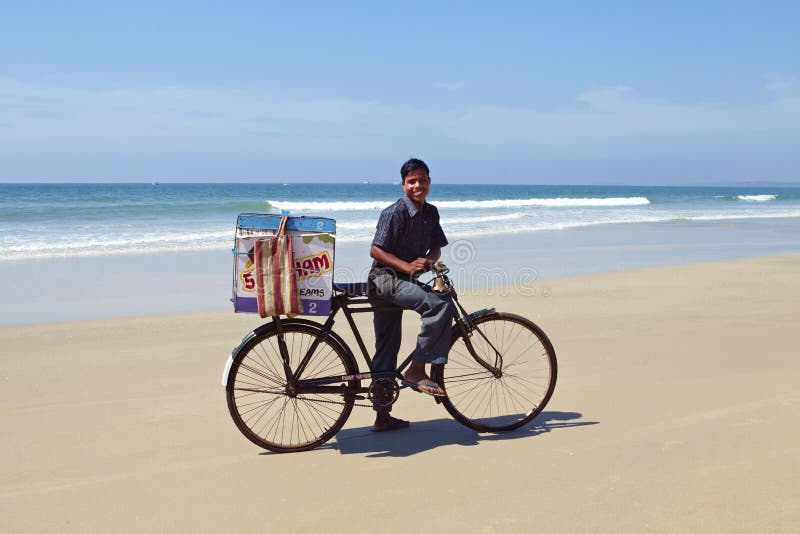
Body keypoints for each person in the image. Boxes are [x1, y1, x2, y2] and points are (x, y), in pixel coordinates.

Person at [367, 158, 453, 432]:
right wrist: (407, 266)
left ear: (429, 182)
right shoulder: (394, 213)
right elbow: (376, 250)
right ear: (403, 185)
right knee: (438, 305)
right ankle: (416, 370)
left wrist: (427, 261)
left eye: (422, 180)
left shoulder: (431, 213)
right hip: (384, 280)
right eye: (412, 181)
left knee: (386, 349)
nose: (418, 185)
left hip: (404, 280)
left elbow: (437, 248)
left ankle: (382, 418)